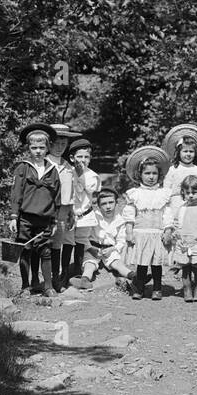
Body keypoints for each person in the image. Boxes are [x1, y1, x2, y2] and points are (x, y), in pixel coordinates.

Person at [8, 124, 61, 303]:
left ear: (48, 148)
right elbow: (16, 193)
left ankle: (48, 286)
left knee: (45, 251)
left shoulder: (53, 170)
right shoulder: (23, 168)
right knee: (26, 250)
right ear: (28, 148)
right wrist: (14, 216)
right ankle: (25, 286)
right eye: (34, 148)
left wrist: (54, 220)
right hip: (26, 218)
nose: (38, 151)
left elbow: (57, 197)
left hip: (45, 218)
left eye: (42, 147)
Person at [123, 146, 174, 299]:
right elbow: (130, 214)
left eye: (154, 173)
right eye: (147, 173)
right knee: (142, 263)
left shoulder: (163, 194)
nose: (151, 177)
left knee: (156, 263)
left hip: (156, 233)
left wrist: (167, 230)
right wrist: (129, 231)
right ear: (140, 174)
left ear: (159, 175)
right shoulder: (135, 194)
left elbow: (167, 214)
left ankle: (157, 288)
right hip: (141, 233)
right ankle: (139, 288)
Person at [69, 185, 135, 292]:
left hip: (109, 249)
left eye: (111, 202)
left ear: (116, 203)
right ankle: (85, 280)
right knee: (90, 264)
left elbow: (121, 240)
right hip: (93, 248)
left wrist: (113, 249)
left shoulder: (120, 220)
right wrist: (90, 248)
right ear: (98, 206)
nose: (108, 207)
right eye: (104, 204)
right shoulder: (94, 217)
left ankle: (134, 277)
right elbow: (84, 237)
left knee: (117, 263)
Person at [165, 175, 197, 303]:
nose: (191, 195)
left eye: (194, 192)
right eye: (188, 193)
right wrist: (175, 234)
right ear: (183, 193)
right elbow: (177, 224)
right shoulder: (182, 209)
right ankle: (187, 289)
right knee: (185, 269)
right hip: (184, 244)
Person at [48, 123, 77, 291]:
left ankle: (62, 276)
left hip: (65, 210)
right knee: (50, 244)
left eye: (63, 144)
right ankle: (50, 278)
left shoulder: (67, 166)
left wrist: (71, 211)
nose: (59, 147)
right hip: (49, 210)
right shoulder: (45, 164)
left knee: (63, 241)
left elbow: (70, 191)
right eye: (56, 143)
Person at [66, 137, 100, 279]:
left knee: (80, 242)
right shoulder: (68, 172)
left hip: (85, 214)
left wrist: (81, 176)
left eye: (86, 157)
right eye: (79, 157)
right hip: (70, 214)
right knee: (67, 242)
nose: (83, 160)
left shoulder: (92, 176)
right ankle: (65, 271)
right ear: (72, 158)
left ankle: (78, 271)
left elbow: (90, 190)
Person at [162, 124, 197, 203]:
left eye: (191, 151)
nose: (188, 154)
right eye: (185, 151)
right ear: (179, 153)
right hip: (176, 204)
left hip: (194, 204)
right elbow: (166, 188)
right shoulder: (173, 170)